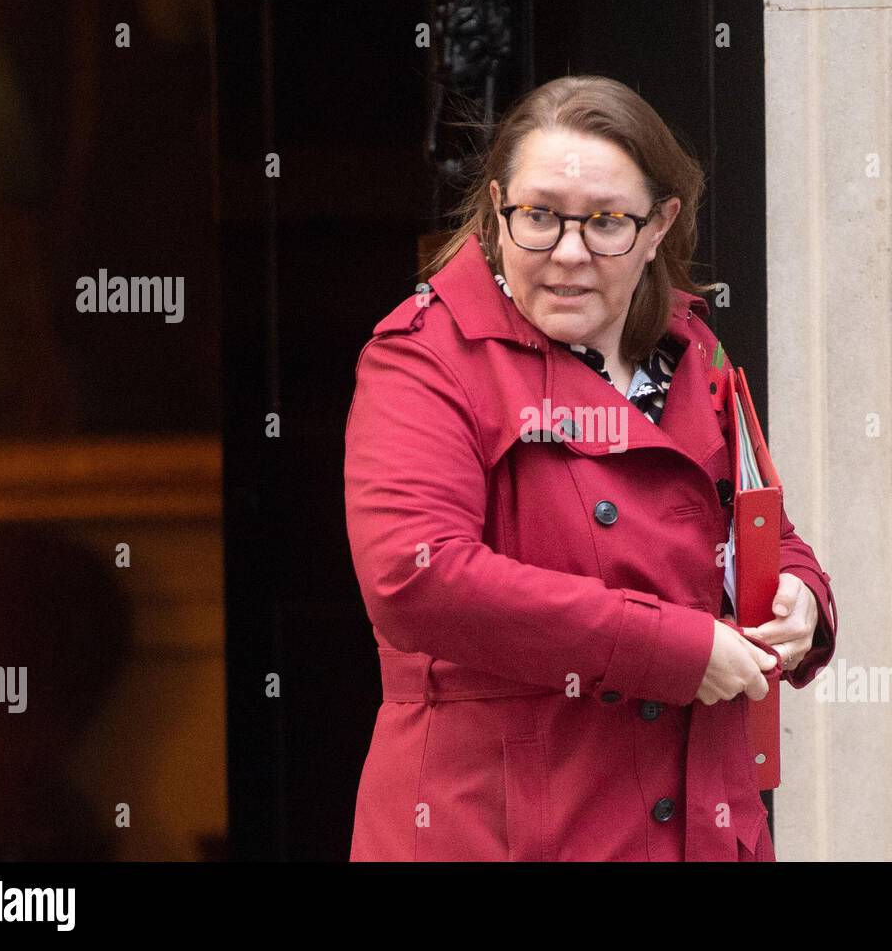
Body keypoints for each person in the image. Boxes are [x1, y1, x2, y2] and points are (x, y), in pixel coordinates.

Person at [343, 74, 837, 861]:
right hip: (502, 826)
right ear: (498, 207)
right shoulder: (425, 356)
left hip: (698, 822)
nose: (567, 253)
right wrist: (672, 649)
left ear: (658, 225)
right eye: (538, 216)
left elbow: (753, 518)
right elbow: (417, 577)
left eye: (605, 222)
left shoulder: (691, 347)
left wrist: (803, 596)